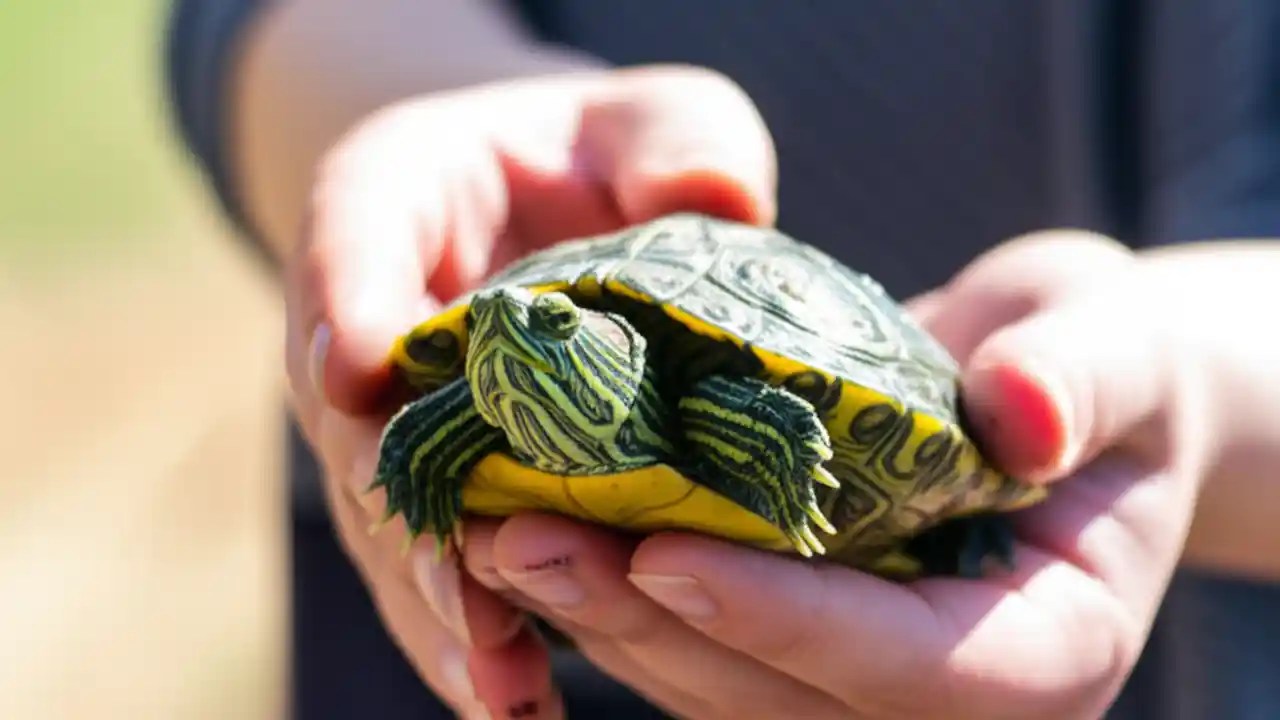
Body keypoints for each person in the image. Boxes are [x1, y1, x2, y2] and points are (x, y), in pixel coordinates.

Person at [165, 2, 1280, 718]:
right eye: (511, 332)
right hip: (454, 662)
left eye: (547, 332)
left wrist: (1195, 391)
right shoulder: (505, 349)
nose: (508, 335)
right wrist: (410, 120)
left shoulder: (730, 397)